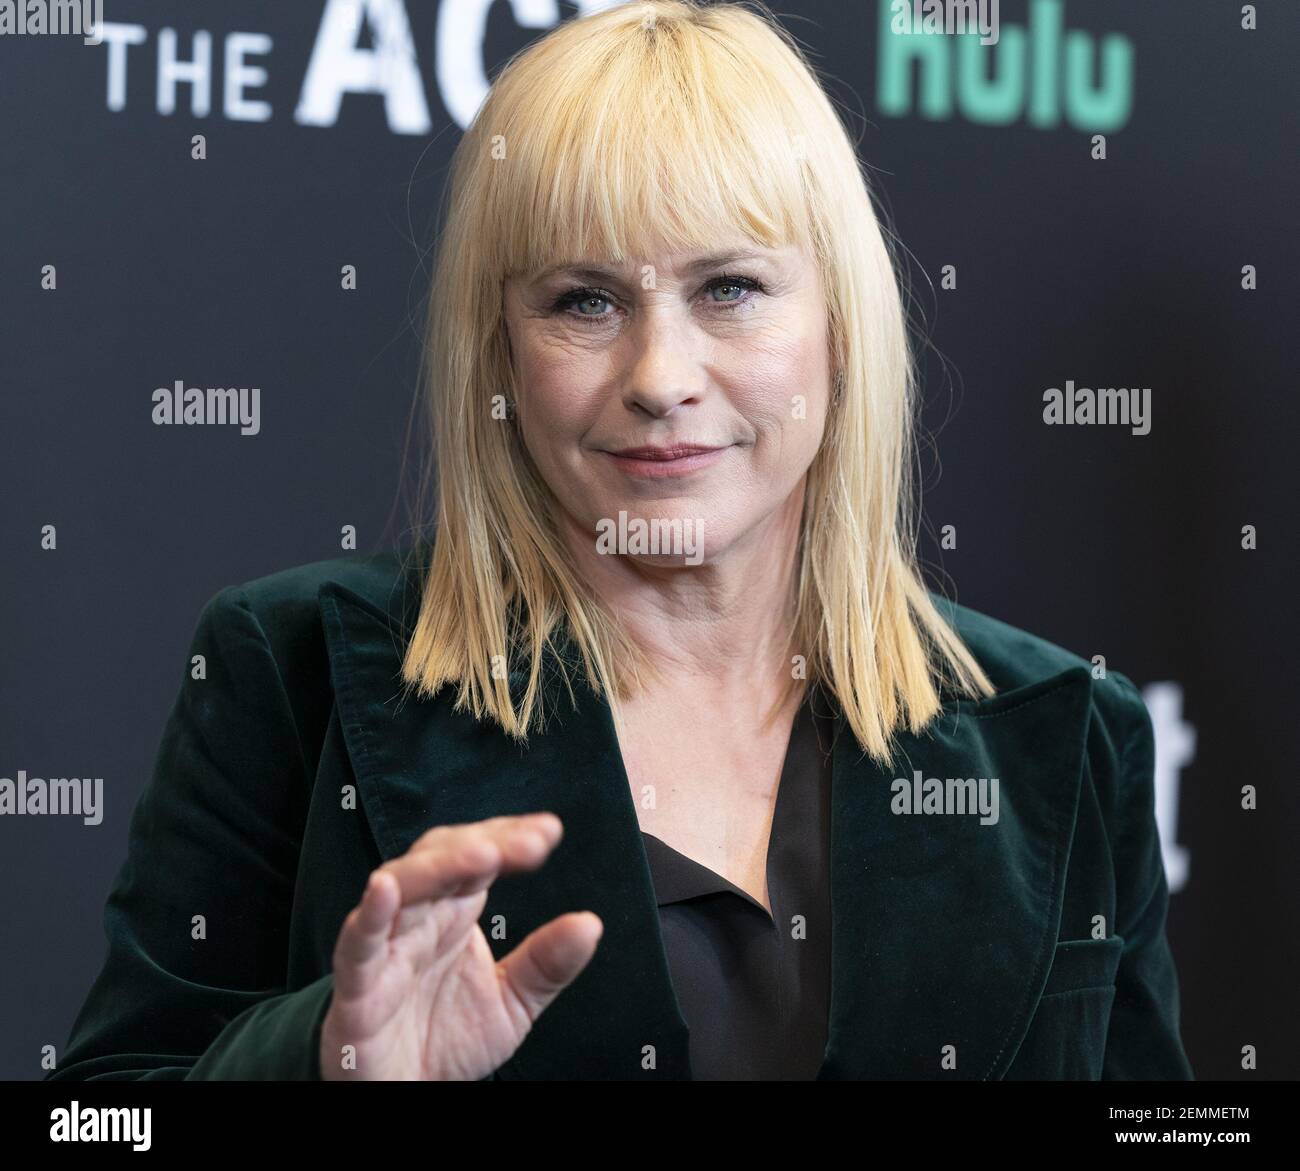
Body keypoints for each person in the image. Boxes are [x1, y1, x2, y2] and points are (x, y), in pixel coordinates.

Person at [46, 0, 1192, 1081]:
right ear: (497, 351)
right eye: (584, 301)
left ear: (841, 330)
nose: (660, 379)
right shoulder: (288, 672)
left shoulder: (1068, 736)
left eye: (730, 288)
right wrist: (320, 1062)